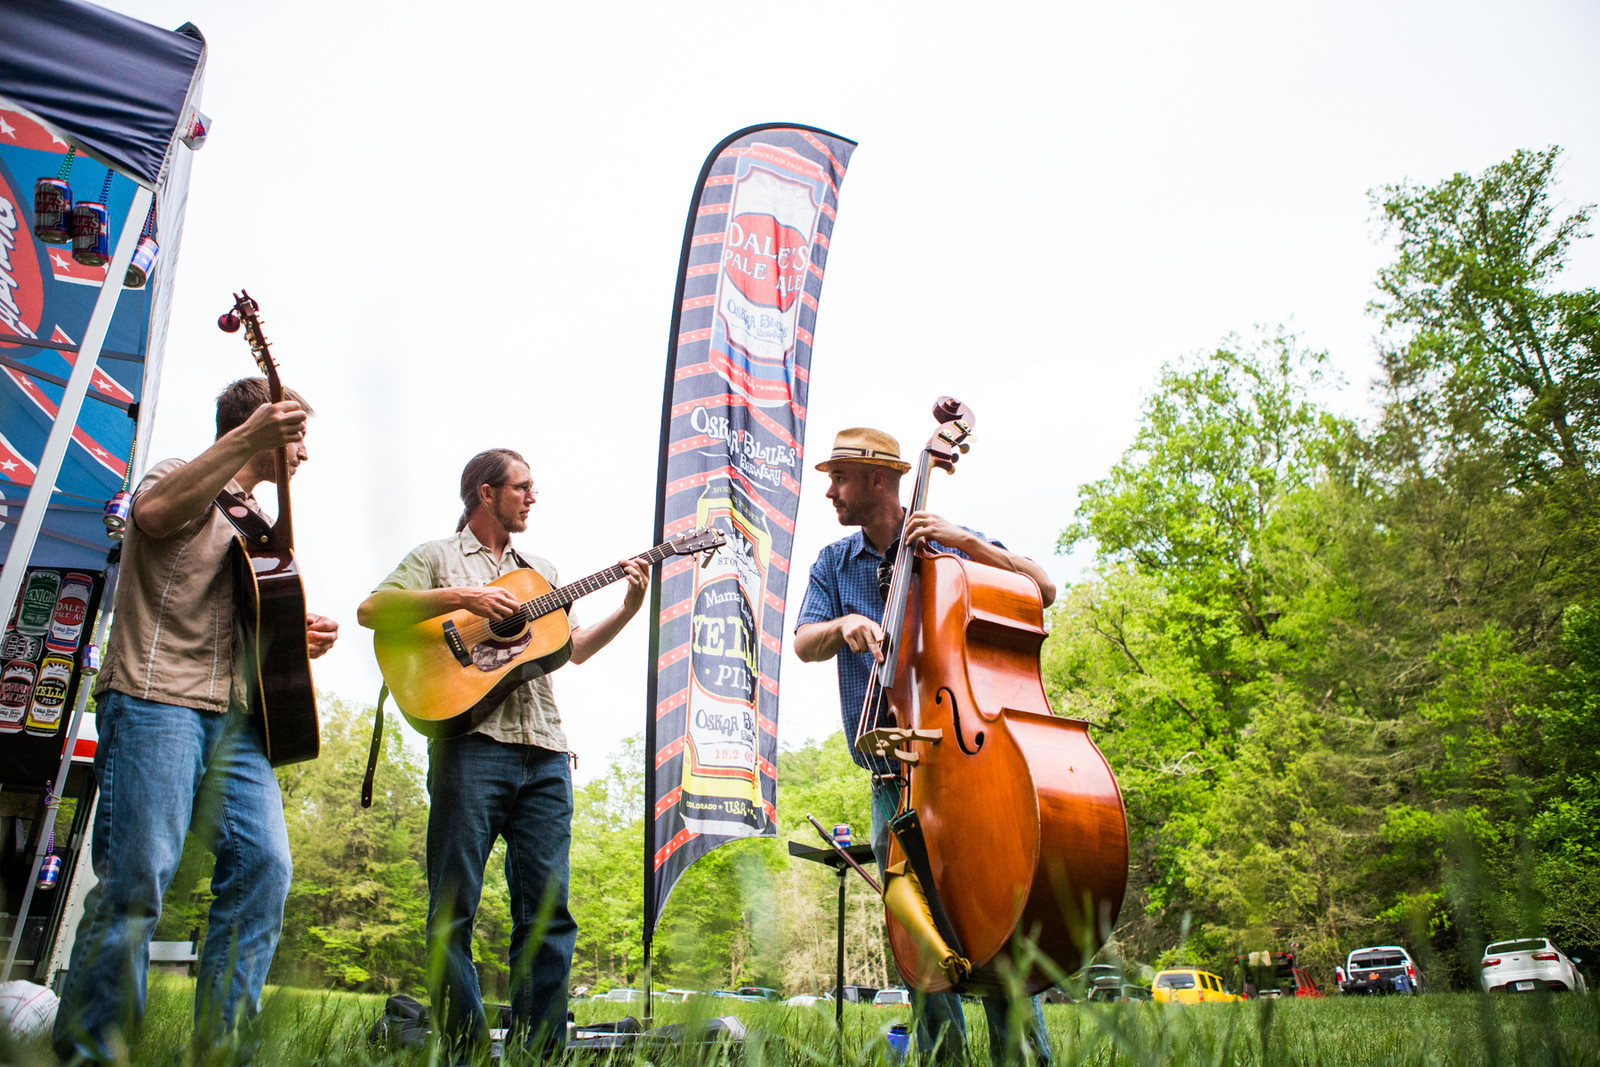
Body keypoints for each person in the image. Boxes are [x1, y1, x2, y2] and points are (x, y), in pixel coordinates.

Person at [54, 378, 339, 1062]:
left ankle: (223, 1048)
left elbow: (243, 622)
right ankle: (93, 1048)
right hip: (157, 695)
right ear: (259, 425)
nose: (304, 453)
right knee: (139, 875)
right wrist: (249, 438)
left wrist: (292, 636)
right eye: (297, 435)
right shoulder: (178, 473)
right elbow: (150, 516)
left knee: (266, 864)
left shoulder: (258, 526)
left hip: (235, 720)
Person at [356, 448, 647, 1058]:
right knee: (453, 908)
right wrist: (463, 598)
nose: (532, 498)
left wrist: (627, 606)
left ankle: (537, 1053)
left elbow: (572, 649)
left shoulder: (539, 571)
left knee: (548, 915)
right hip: (470, 749)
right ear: (486, 494)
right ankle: (464, 1050)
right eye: (523, 487)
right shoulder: (436, 557)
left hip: (544, 753)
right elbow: (373, 610)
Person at [793, 427, 1057, 1066]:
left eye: (840, 477)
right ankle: (944, 1060)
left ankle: (1022, 1058)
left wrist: (966, 542)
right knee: (917, 940)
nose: (829, 491)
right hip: (890, 775)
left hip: (964, 770)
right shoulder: (833, 563)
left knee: (991, 917)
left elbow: (1043, 589)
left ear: (880, 478)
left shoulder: (946, 543)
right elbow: (805, 641)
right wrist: (846, 624)